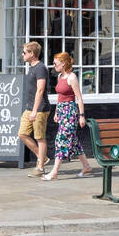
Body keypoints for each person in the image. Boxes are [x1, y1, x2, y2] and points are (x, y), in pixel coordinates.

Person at [43, 51, 93, 180]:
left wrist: (81, 115)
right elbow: (60, 97)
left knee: (60, 140)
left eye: (56, 63)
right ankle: (87, 166)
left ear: (64, 63)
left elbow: (79, 98)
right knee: (74, 141)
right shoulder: (60, 76)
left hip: (70, 112)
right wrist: (56, 112)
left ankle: (54, 172)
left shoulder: (72, 77)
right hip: (62, 111)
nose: (54, 65)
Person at [17, 42, 51, 175]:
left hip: (40, 109)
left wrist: (35, 111)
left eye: (24, 52)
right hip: (29, 107)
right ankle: (42, 157)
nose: (22, 54)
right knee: (22, 134)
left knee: (40, 137)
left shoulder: (40, 68)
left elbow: (40, 90)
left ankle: (41, 167)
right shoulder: (31, 68)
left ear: (32, 54)